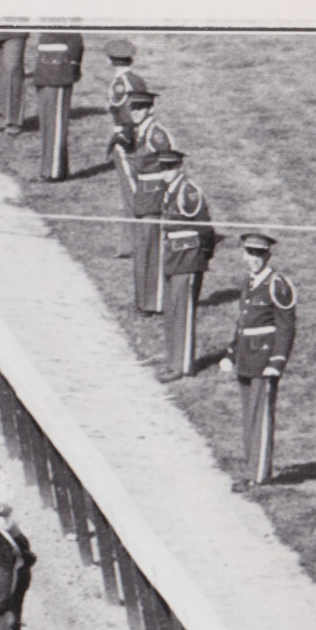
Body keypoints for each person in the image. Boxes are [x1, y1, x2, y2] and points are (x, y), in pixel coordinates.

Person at [219, 233, 297, 486]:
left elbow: (286, 327)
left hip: (264, 360)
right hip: (245, 358)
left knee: (260, 417)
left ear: (268, 256)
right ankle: (251, 470)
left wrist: (277, 362)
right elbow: (242, 322)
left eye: (259, 254)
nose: (254, 259)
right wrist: (231, 353)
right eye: (250, 253)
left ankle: (259, 475)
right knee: (249, 418)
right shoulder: (248, 282)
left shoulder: (277, 284)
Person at [107, 79, 172, 315]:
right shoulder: (138, 133)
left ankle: (153, 303)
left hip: (155, 199)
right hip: (143, 198)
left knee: (152, 250)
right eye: (133, 108)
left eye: (141, 108)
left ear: (150, 109)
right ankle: (143, 301)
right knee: (142, 250)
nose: (135, 113)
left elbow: (170, 170)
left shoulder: (157, 136)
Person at [152, 150, 216, 380]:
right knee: (172, 311)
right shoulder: (171, 191)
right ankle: (172, 360)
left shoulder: (188, 192)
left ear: (179, 167)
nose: (165, 172)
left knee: (183, 313)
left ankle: (182, 365)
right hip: (173, 258)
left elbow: (206, 230)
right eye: (162, 168)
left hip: (188, 259)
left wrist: (203, 257)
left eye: (169, 167)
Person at [103, 40, 144, 258]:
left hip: (126, 140)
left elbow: (126, 114)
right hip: (139, 138)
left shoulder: (120, 84)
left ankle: (133, 243)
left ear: (111, 60)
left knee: (131, 193)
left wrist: (121, 138)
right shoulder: (137, 80)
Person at [32, 32, 83, 181]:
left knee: (55, 125)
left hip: (59, 73)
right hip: (44, 73)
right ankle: (57, 169)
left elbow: (76, 44)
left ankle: (53, 173)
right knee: (48, 125)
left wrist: (73, 68)